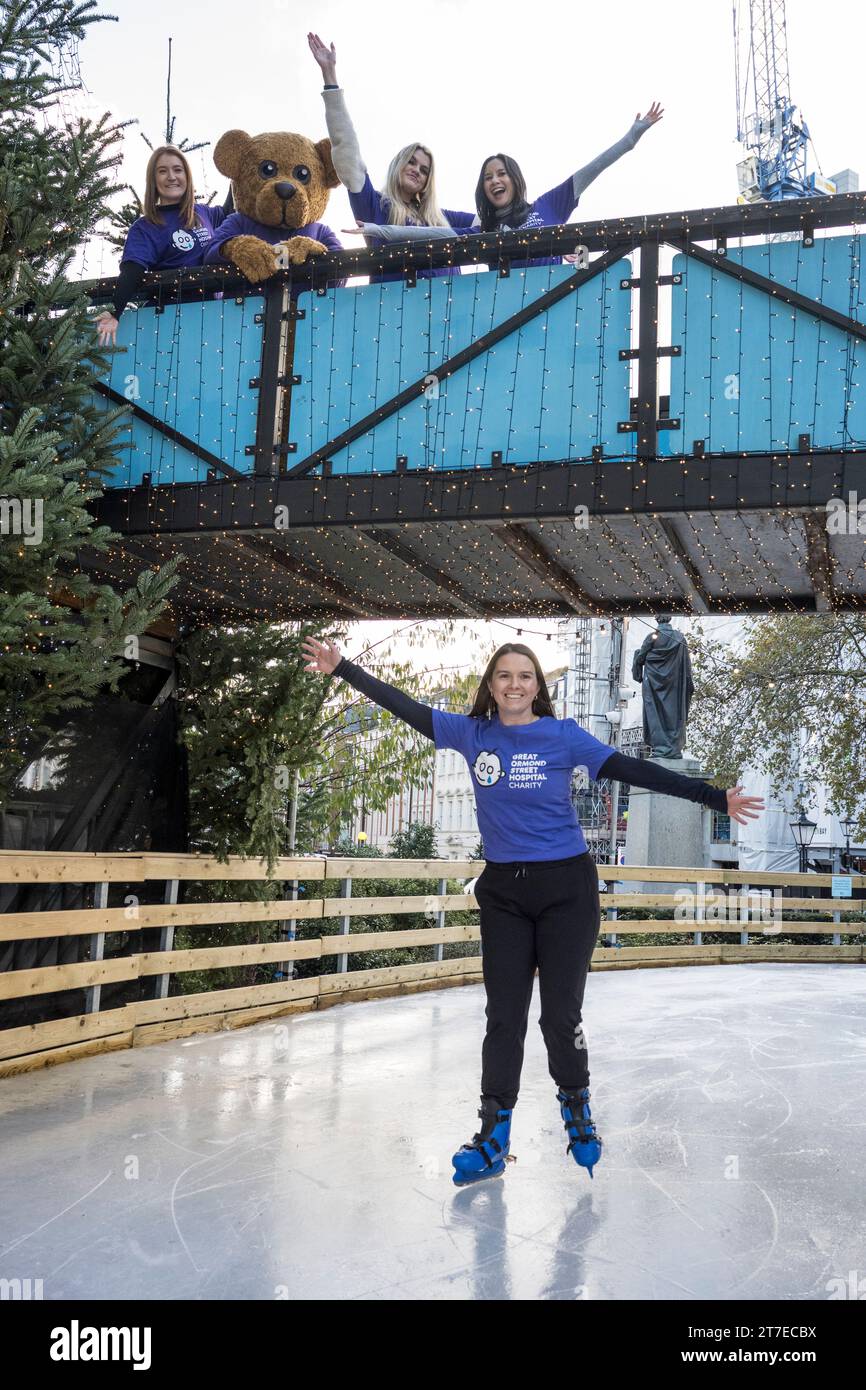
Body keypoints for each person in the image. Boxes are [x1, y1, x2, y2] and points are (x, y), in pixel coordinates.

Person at [302, 635, 764, 1185]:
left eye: (525, 676)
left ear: (537, 687)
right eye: (504, 676)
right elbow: (407, 708)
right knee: (504, 1017)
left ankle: (577, 1110)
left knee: (559, 1017)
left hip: (566, 889)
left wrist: (714, 797)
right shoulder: (471, 734)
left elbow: (633, 771)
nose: (515, 684)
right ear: (491, 687)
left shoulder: (562, 736)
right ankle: (493, 1136)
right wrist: (343, 670)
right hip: (504, 892)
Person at [342, 102, 663, 270]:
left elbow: (591, 170)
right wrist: (380, 230)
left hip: (564, 300)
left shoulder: (549, 205)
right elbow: (429, 233)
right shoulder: (485, 232)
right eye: (487, 177)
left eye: (501, 173)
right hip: (515, 319)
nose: (495, 180)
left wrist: (630, 139)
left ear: (515, 178)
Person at [307, 32, 475, 281]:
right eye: (412, 161)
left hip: (447, 312)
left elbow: (488, 219)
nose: (417, 170)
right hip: (394, 313)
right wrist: (330, 78)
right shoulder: (376, 206)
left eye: (425, 170)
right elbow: (348, 155)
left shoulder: (440, 217)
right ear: (398, 164)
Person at [94, 145, 227, 347]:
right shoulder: (146, 227)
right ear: (154, 180)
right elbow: (132, 271)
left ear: (187, 176)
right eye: (163, 171)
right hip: (171, 323)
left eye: (177, 170)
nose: (171, 177)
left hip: (215, 318)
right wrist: (115, 312)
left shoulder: (203, 212)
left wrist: (240, 173)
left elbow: (232, 211)